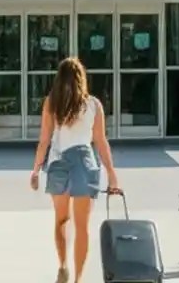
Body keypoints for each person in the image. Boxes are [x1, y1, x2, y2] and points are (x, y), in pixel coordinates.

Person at [30, 56, 120, 283]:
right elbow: (100, 141)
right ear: (82, 78)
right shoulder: (93, 105)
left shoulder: (51, 103)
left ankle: (62, 266)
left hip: (58, 162)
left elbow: (44, 140)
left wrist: (35, 169)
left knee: (61, 220)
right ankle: (79, 279)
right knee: (82, 227)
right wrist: (111, 173)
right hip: (84, 163)